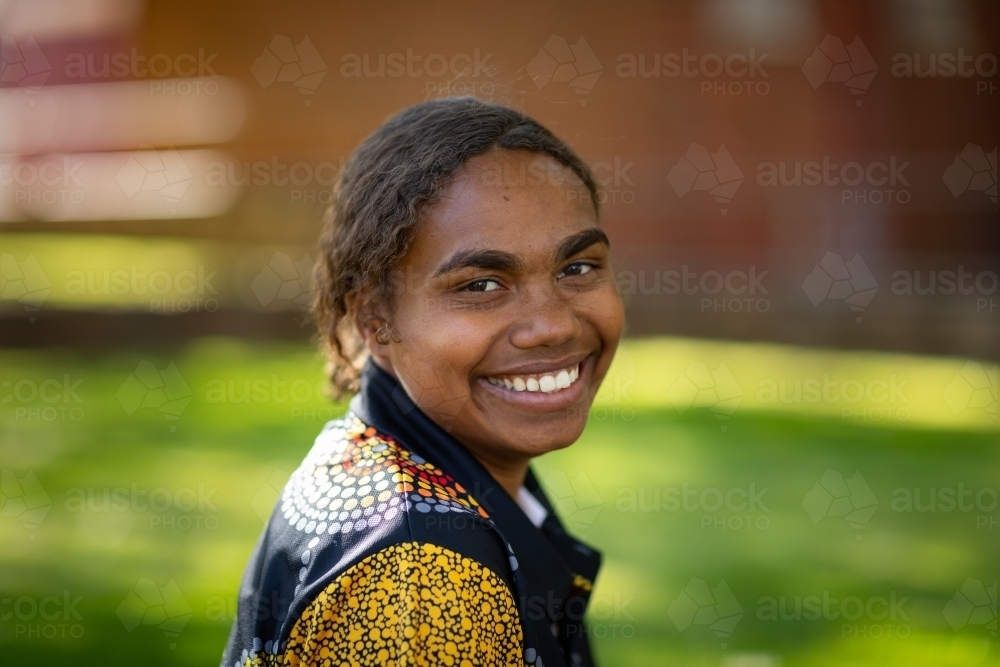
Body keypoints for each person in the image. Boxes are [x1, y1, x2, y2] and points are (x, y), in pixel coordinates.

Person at [222, 97, 625, 667]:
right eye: (481, 285)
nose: (554, 326)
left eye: (577, 268)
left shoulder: (400, 477)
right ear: (375, 319)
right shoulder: (422, 575)